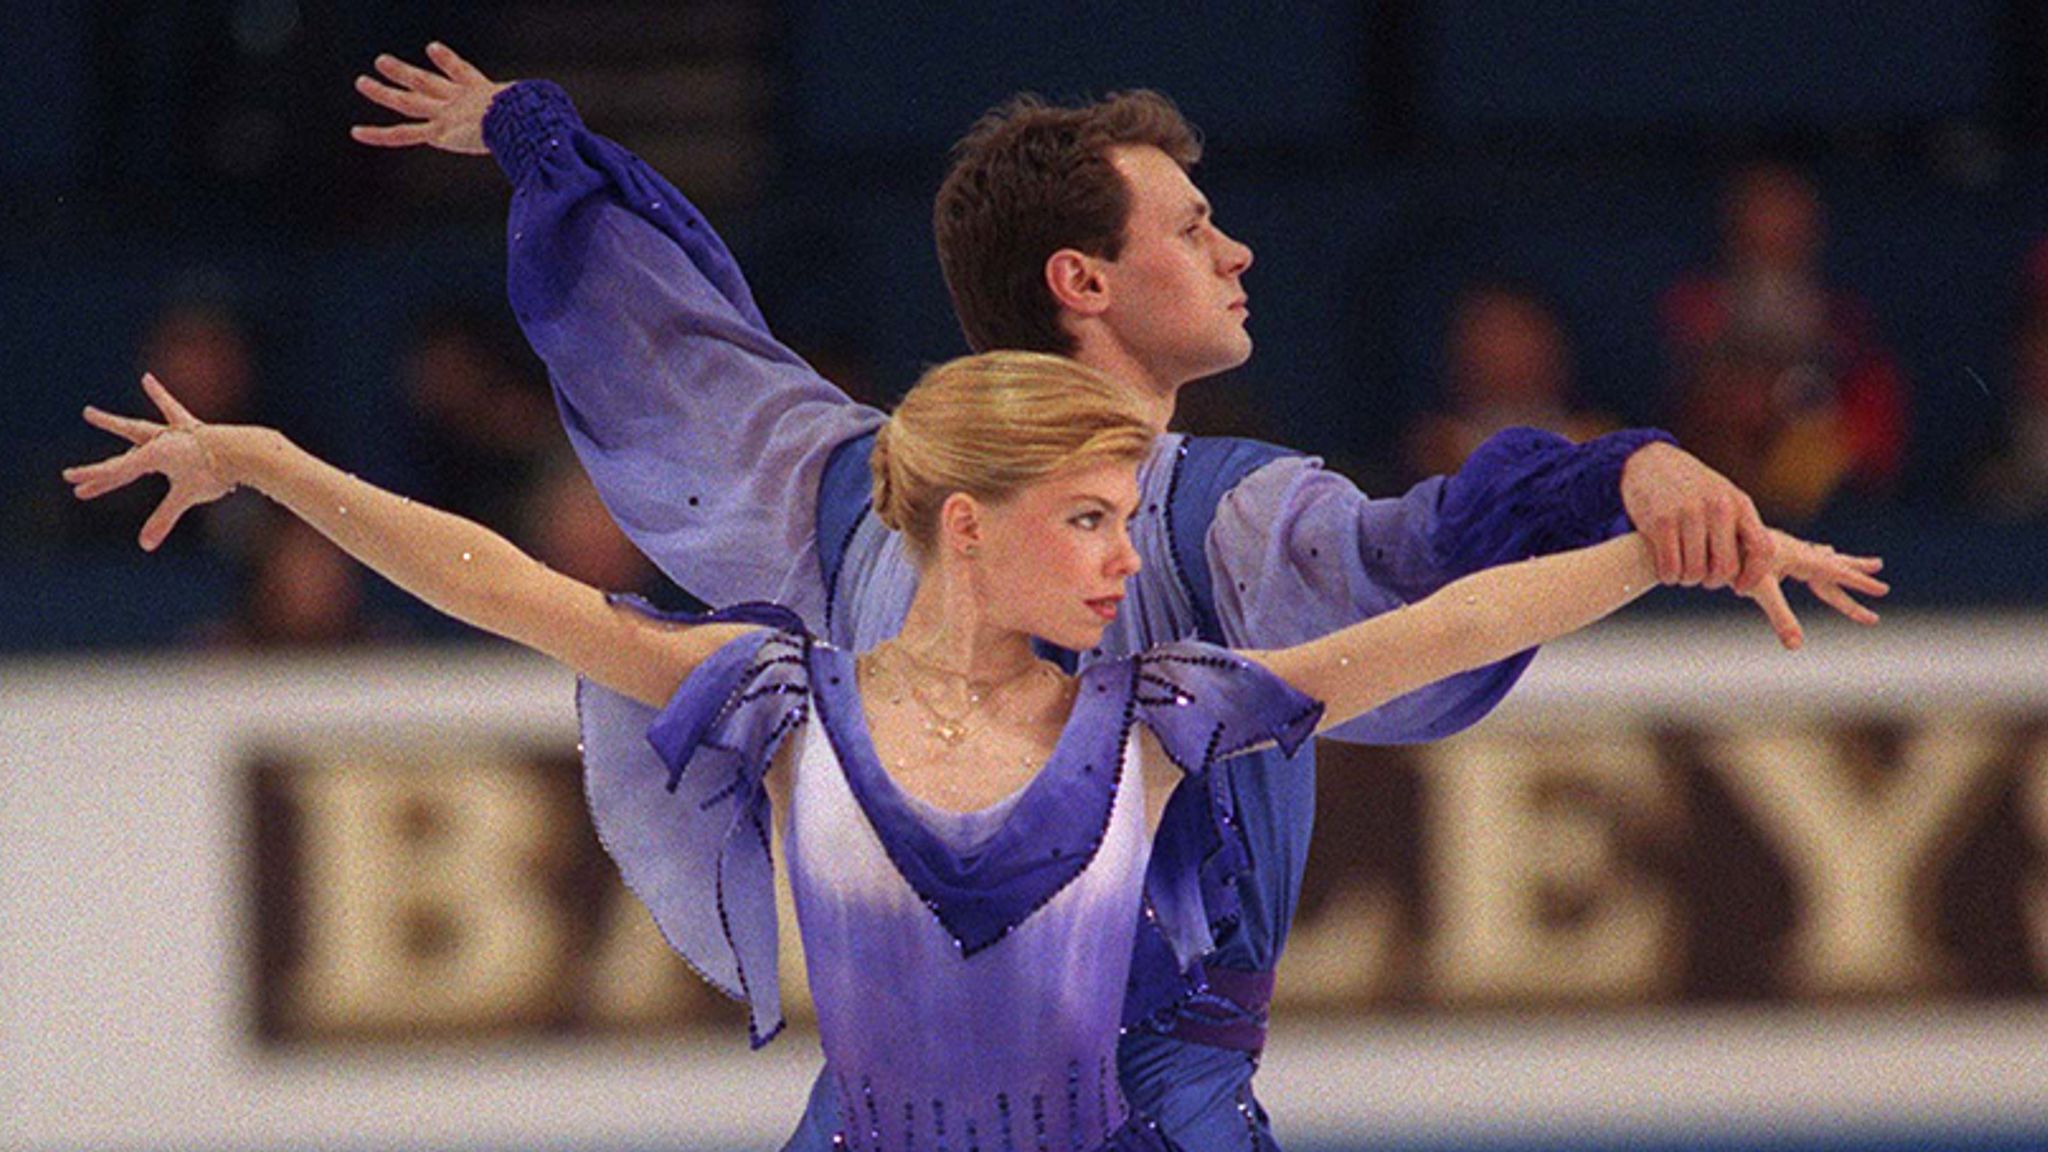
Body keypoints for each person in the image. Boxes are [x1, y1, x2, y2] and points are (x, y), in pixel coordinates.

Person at [351, 45, 1865, 1149]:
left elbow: (677, 352)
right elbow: (1430, 562)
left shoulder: (851, 485)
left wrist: (546, 152)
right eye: (1195, 228)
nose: (1238, 248)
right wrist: (1624, 486)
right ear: (1082, 280)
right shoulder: (1213, 517)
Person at [66, 357, 1883, 1150]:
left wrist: (1667, 549)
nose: (1124, 556)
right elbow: (510, 585)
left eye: (1127, 521)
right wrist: (278, 467)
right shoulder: (786, 702)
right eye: (1091, 518)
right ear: (965, 526)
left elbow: (1435, 631)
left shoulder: (1156, 719)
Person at [1659, 160, 1910, 524]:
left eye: (1787, 221)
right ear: (1733, 228)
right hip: (1713, 485)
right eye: (1760, 219)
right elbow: (1679, 414)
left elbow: (1872, 436)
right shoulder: (1695, 306)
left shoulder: (1845, 318)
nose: (1773, 234)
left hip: (1823, 491)